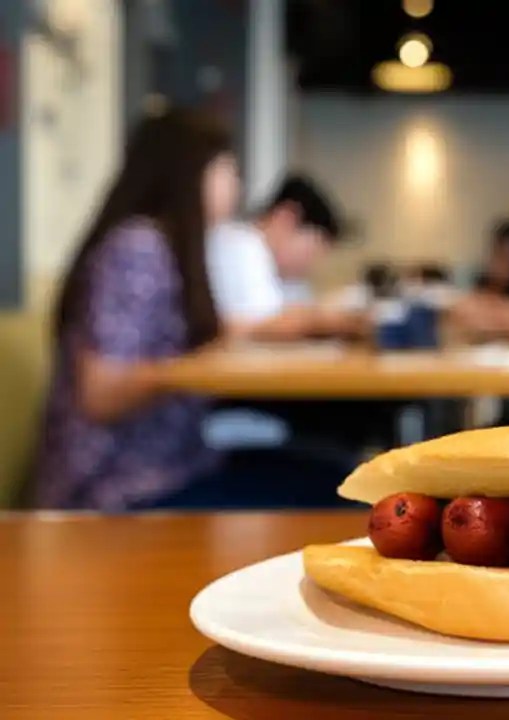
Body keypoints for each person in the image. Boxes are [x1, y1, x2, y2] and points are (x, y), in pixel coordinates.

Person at [35, 110, 351, 511]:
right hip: (120, 487)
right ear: (189, 173)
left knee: (343, 475)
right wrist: (189, 369)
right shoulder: (138, 247)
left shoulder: (166, 247)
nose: (236, 184)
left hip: (178, 464)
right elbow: (100, 393)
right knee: (342, 492)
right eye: (227, 170)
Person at [206, 174, 364, 340]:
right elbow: (264, 327)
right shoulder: (241, 246)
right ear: (287, 218)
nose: (312, 265)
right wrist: (324, 319)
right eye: (313, 251)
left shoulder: (285, 275)